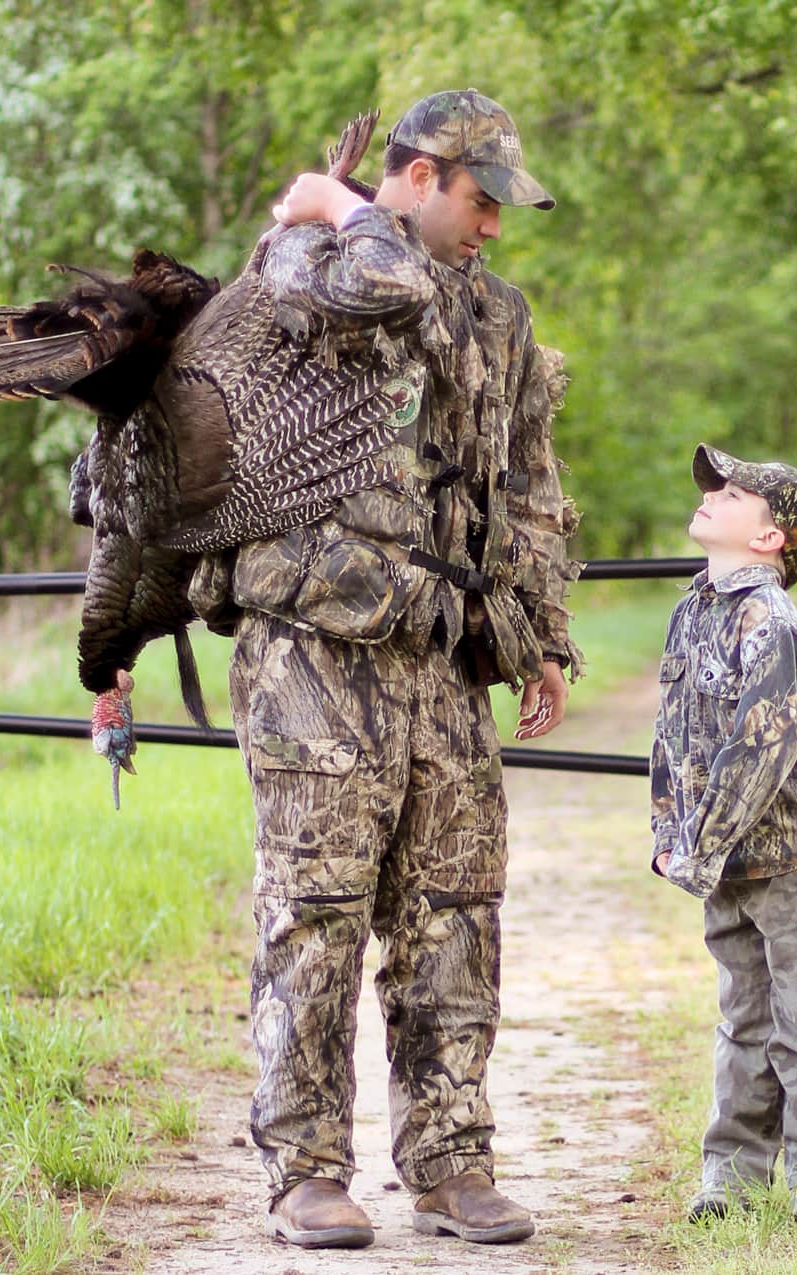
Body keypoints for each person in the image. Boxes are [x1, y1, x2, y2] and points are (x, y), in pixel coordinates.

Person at [202, 89, 583, 1249]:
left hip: (447, 660)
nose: (495, 226)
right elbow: (377, 285)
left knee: (456, 913)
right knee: (315, 918)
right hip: (316, 654)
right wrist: (333, 205)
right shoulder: (309, 266)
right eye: (479, 199)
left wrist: (542, 633)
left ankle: (453, 1160)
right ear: (413, 177)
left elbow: (529, 483)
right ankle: (308, 1171)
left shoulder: (501, 316)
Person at [649, 444, 797, 1225]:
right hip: (732, 857)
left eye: (734, 491)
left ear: (771, 537)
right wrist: (679, 835)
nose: (712, 493)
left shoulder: (769, 618)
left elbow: (762, 742)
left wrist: (699, 849)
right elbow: (676, 737)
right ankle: (732, 1177)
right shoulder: (693, 610)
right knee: (744, 1019)